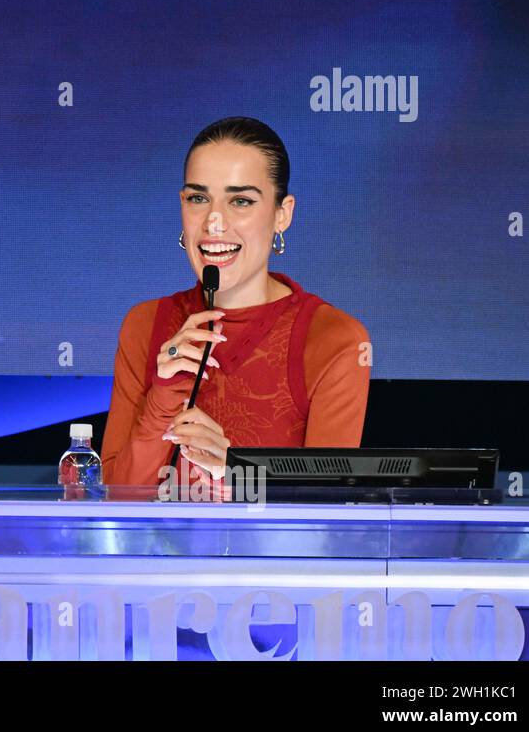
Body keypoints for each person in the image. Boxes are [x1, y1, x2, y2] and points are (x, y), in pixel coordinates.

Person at [100, 117, 369, 487]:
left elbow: (324, 513)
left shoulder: (335, 339)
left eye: (240, 201)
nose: (213, 222)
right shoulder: (144, 324)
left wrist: (234, 471)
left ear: (282, 214)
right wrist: (162, 401)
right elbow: (116, 503)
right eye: (198, 198)